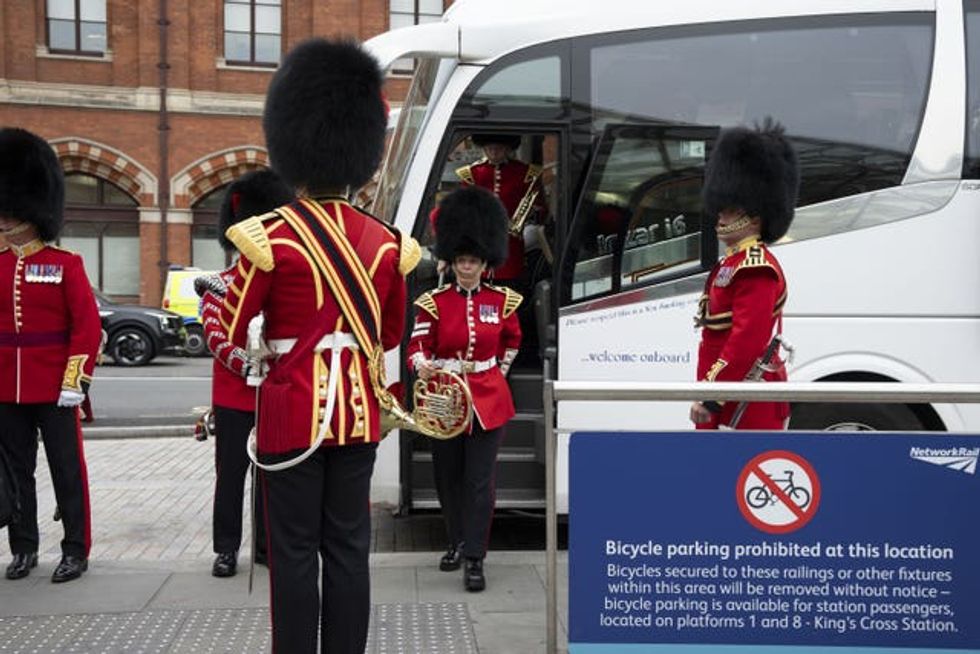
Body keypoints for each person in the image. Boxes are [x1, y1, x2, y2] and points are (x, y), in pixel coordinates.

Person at [220, 39, 418, 654]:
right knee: (349, 549)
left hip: (292, 416)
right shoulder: (388, 244)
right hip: (357, 415)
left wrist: (255, 350)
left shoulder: (268, 237)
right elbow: (390, 334)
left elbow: (228, 331)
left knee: (295, 552)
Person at [0, 127, 102, 582]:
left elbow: (87, 326)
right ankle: (23, 548)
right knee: (16, 471)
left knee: (66, 470)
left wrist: (73, 380)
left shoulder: (66, 265)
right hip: (5, 384)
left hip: (55, 384)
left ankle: (76, 548)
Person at [408, 185, 522, 592]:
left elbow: (512, 340)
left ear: (484, 261)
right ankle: (455, 540)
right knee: (448, 478)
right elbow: (417, 345)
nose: (467, 267)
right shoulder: (433, 302)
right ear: (451, 261)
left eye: (473, 260)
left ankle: (475, 556)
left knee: (479, 481)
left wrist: (496, 372)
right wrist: (422, 365)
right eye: (460, 260)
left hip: (488, 401)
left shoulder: (503, 300)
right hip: (445, 401)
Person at [195, 169, 294, 578]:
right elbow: (217, 338)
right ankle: (225, 548)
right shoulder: (215, 285)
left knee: (272, 476)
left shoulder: (285, 285)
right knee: (231, 476)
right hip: (235, 394)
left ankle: (268, 546)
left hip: (273, 394)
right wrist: (255, 362)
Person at [689, 120, 800, 430]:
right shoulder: (734, 263)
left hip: (746, 399)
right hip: (730, 391)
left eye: (729, 210)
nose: (720, 216)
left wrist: (714, 395)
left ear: (754, 216)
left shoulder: (755, 267)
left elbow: (746, 341)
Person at [455, 134, 548, 285]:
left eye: (498, 148)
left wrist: (527, 217)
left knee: (511, 285)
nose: (494, 152)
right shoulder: (472, 173)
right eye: (490, 148)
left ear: (507, 149)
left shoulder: (524, 173)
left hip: (511, 243)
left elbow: (540, 207)